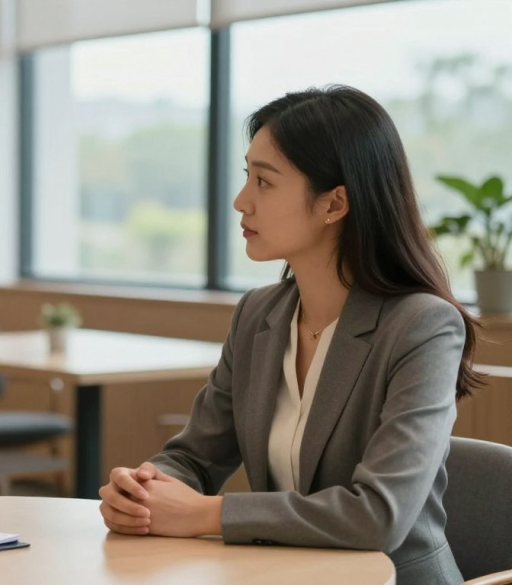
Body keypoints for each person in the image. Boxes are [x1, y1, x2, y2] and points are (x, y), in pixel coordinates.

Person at [98, 85, 481, 585]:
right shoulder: (258, 314)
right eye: (247, 177)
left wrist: (207, 514)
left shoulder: (422, 327)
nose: (241, 201)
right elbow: (194, 456)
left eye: (264, 182)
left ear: (334, 203)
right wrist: (144, 490)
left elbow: (379, 515)